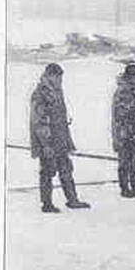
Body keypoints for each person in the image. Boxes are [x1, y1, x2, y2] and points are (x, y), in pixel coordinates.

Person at [28, 63, 89, 212]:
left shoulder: (56, 91)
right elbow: (39, 121)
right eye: (58, 77)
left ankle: (72, 200)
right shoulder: (40, 94)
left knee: (66, 169)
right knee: (47, 171)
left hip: (60, 140)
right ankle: (47, 204)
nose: (60, 80)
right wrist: (46, 144)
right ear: (50, 76)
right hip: (48, 141)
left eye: (61, 78)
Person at [111, 62, 135, 198]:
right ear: (129, 77)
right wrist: (129, 130)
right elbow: (121, 115)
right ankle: (125, 188)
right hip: (125, 133)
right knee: (125, 162)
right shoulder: (123, 91)